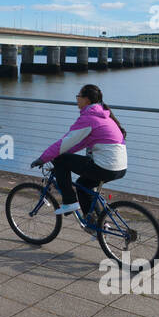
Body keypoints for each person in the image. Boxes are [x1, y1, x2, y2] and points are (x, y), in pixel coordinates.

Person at [32, 84, 127, 221]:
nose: (76, 98)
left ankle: (69, 202)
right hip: (120, 167)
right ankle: (98, 224)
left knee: (60, 160)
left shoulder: (89, 118)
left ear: (86, 100)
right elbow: (77, 144)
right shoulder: (104, 117)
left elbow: (65, 142)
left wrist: (43, 158)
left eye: (79, 95)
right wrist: (58, 153)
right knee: (83, 185)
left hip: (105, 166)